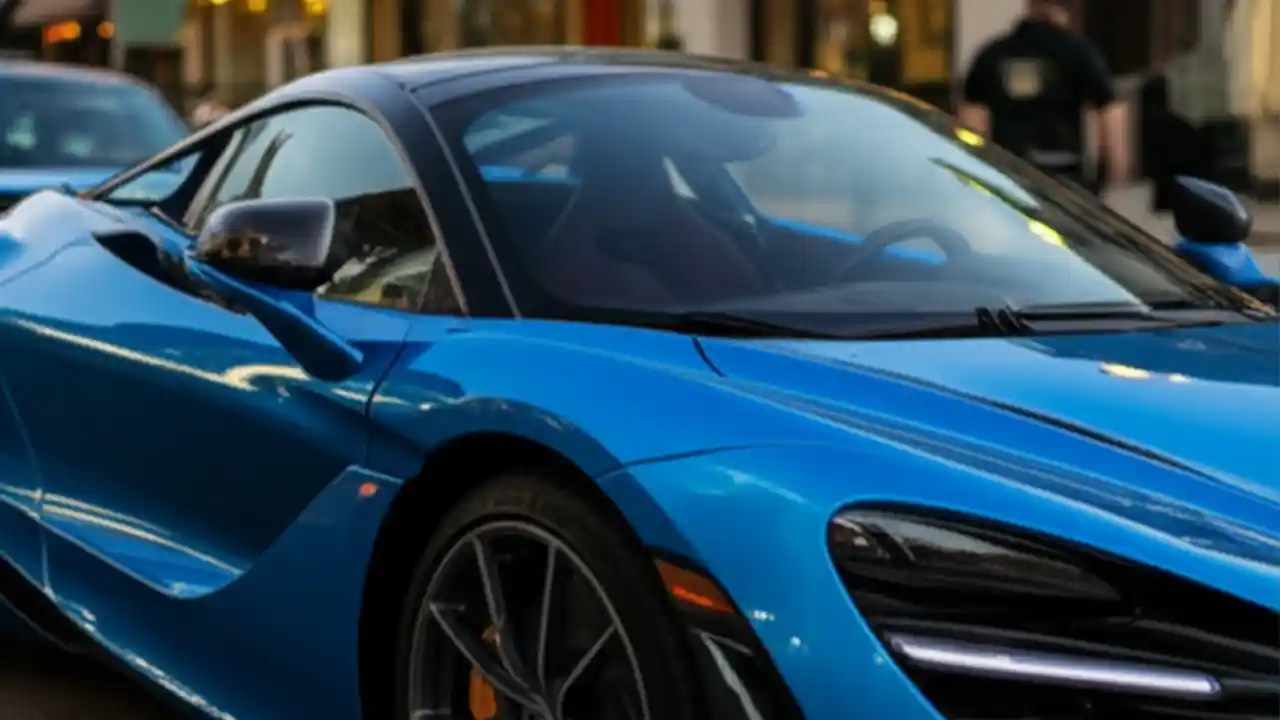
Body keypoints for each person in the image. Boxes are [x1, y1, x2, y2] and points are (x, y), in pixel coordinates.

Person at [958, 0, 1131, 195]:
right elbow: (1111, 115)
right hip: (1064, 177)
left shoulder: (993, 54)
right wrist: (1109, 175)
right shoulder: (1078, 53)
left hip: (1009, 173)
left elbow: (971, 123)